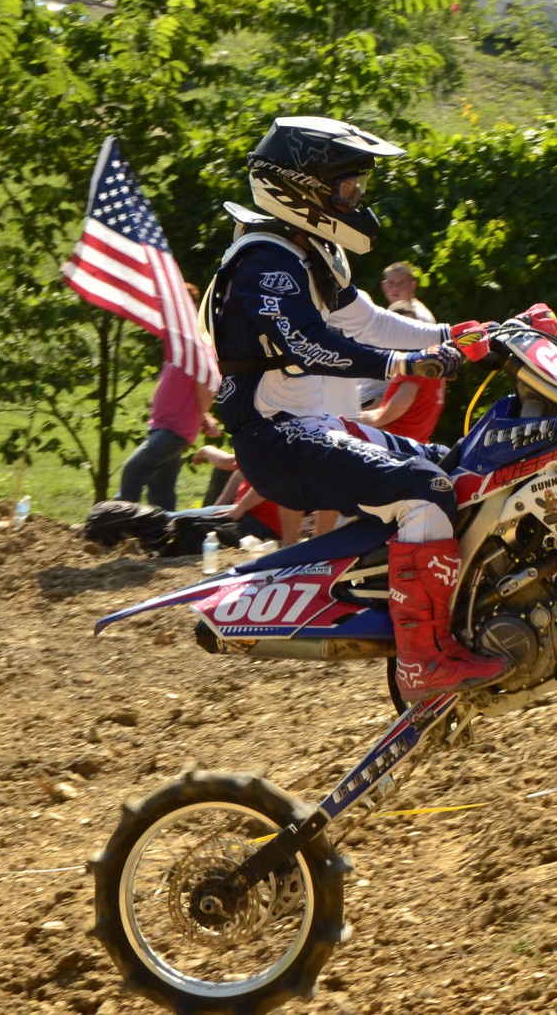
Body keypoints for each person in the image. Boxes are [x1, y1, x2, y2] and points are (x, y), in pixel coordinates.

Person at [204, 115, 508, 701]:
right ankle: (423, 662)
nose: (357, 199)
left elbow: (363, 321)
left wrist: (455, 335)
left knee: (459, 469)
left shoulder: (305, 252)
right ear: (304, 188)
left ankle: (464, 622)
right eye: (348, 188)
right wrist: (403, 366)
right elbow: (309, 343)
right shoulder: (264, 261)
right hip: (277, 439)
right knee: (423, 490)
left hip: (313, 427)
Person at [115, 282, 221, 511]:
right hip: (164, 426)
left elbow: (204, 386)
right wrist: (204, 418)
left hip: (174, 430)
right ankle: (163, 537)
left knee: (133, 469)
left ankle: (117, 524)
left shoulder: (198, 344)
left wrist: (201, 414)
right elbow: (187, 389)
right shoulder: (179, 344)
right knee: (161, 491)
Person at [355, 263, 446, 442]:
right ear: (383, 285)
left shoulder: (418, 338)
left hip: (394, 435)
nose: (395, 288)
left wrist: (348, 419)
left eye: (401, 283)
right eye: (391, 283)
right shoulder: (401, 313)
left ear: (413, 285)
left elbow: (399, 404)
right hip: (397, 424)